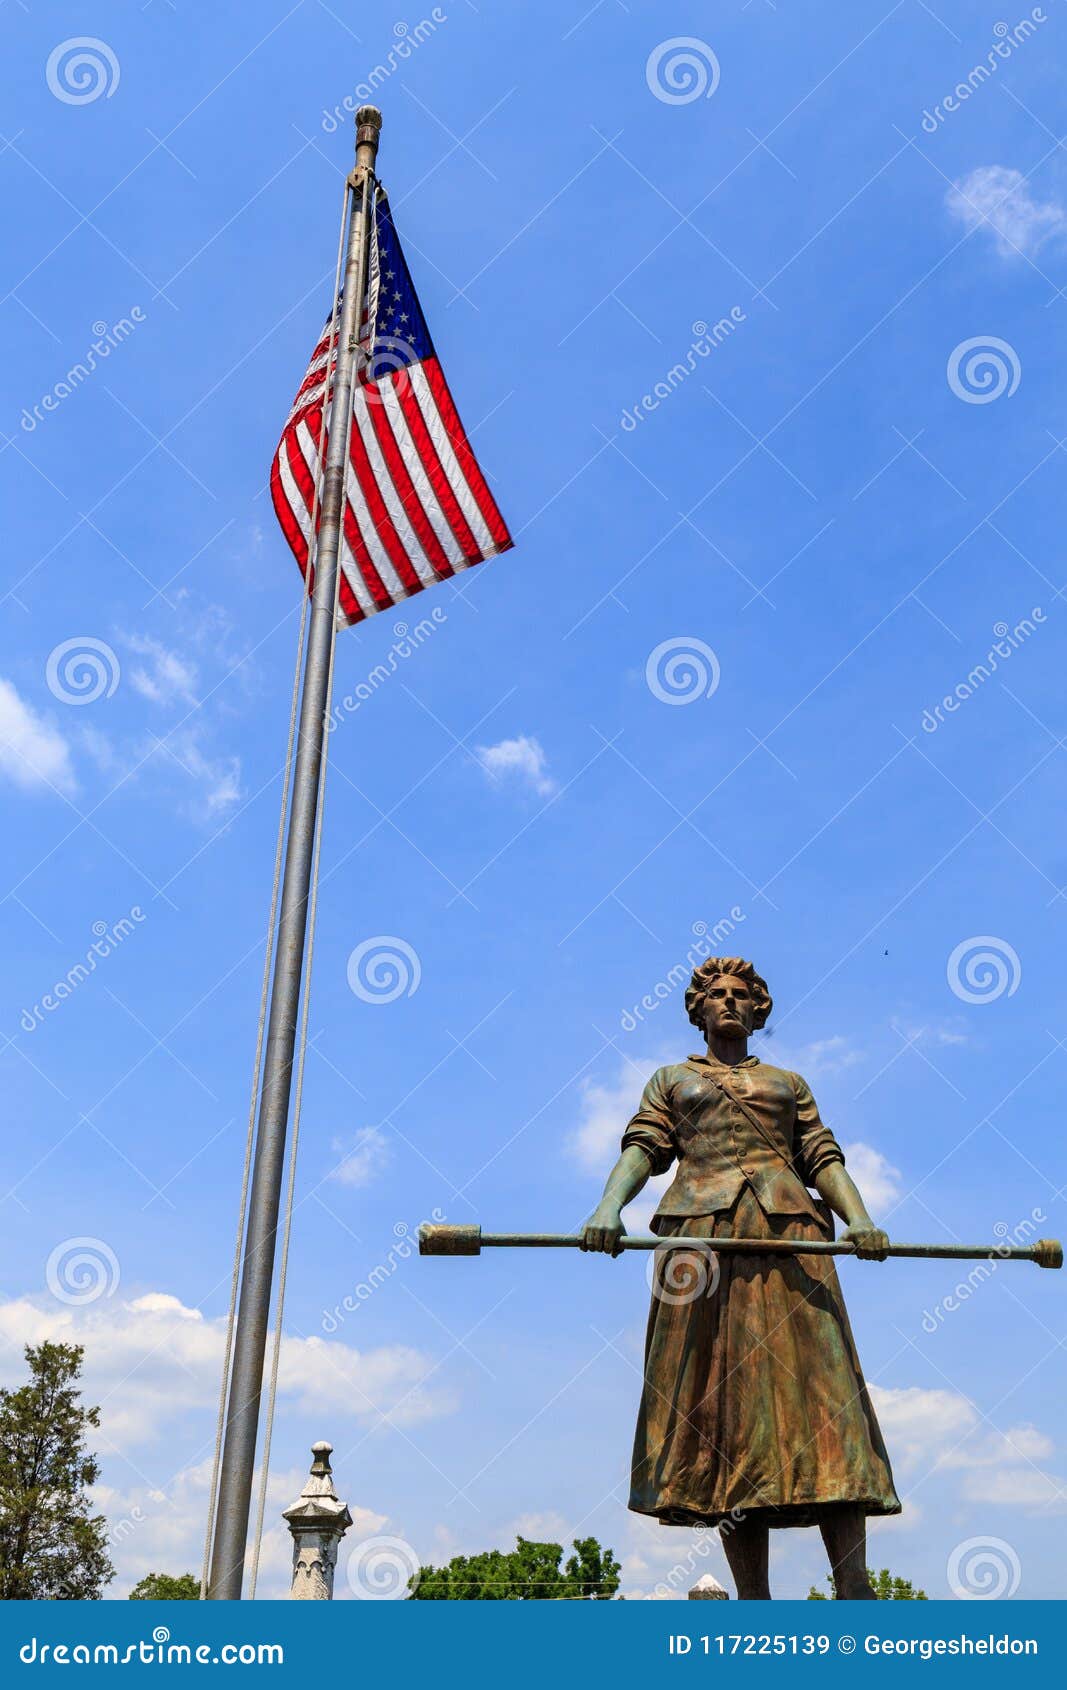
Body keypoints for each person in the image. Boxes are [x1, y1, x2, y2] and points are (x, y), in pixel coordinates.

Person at [580, 957, 900, 1600]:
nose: (729, 1003)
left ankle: (854, 1583)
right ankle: (754, 1598)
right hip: (701, 1246)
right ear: (698, 1011)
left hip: (788, 1239)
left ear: (759, 1010)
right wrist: (608, 1206)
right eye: (717, 996)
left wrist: (860, 1218)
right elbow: (643, 1148)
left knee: (825, 1403)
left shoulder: (789, 1082)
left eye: (741, 995)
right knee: (729, 1415)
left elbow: (820, 1155)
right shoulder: (670, 1079)